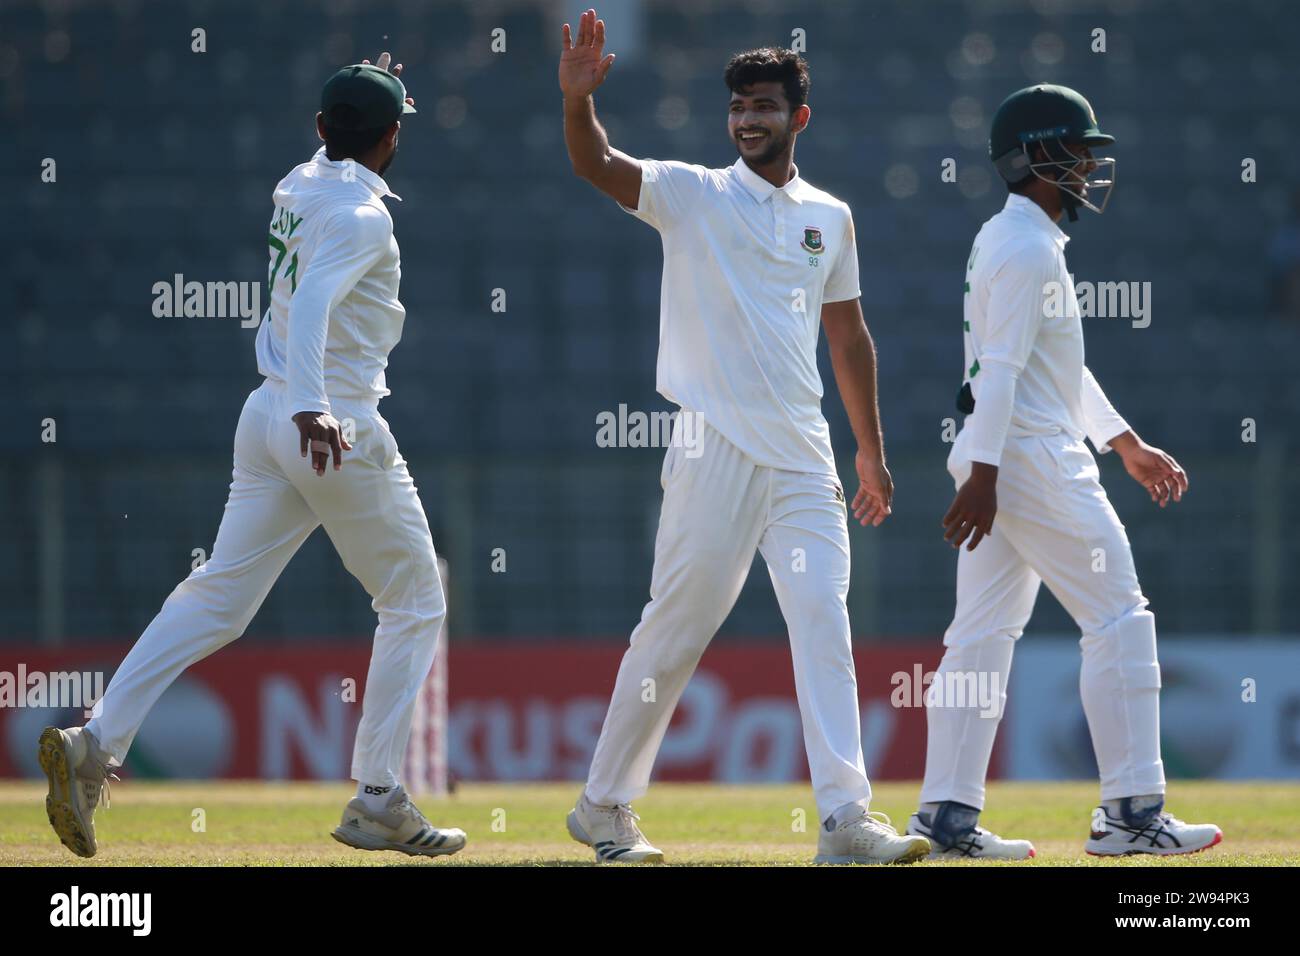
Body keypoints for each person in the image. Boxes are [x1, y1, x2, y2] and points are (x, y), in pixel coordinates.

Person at [38, 54, 466, 860]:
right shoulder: (364, 217)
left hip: (265, 416)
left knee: (219, 598)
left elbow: (329, 183)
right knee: (414, 601)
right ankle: (377, 795)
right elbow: (310, 311)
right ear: (393, 136)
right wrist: (317, 408)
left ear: (319, 131)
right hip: (328, 422)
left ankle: (97, 741)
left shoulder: (300, 183)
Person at [556, 8, 929, 865]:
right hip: (712, 446)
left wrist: (869, 450)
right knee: (674, 633)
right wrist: (577, 102)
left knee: (823, 625)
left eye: (763, 105)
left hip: (804, 456)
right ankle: (604, 806)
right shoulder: (693, 193)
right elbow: (594, 164)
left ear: (799, 117)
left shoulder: (830, 217)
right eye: (736, 107)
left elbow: (849, 336)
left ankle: (845, 820)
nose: (747, 119)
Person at [909, 84, 1222, 859]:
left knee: (980, 637)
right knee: (1119, 616)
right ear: (1039, 155)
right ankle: (1132, 816)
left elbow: (1054, 368)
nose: (1089, 164)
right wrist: (984, 474)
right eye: (1078, 150)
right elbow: (1006, 372)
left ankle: (945, 818)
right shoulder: (1023, 248)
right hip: (1028, 455)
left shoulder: (1015, 239)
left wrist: (1123, 442)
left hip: (1008, 450)